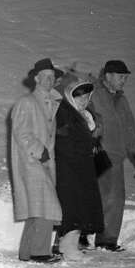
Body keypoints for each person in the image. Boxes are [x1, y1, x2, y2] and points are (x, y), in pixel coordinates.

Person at [10, 58, 64, 263]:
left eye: (53, 77)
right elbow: (21, 132)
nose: (50, 81)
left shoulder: (50, 103)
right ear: (36, 78)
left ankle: (26, 253)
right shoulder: (27, 102)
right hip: (32, 161)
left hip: (43, 162)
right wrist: (39, 150)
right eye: (46, 77)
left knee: (38, 207)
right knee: (46, 206)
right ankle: (39, 252)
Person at [88, 58, 135, 251]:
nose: (124, 81)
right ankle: (79, 236)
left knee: (116, 199)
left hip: (117, 158)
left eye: (125, 77)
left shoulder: (121, 99)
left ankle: (107, 239)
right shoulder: (93, 94)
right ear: (108, 75)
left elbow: (129, 129)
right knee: (96, 197)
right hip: (98, 155)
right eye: (121, 77)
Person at [53, 71, 106, 253]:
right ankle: (67, 248)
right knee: (72, 208)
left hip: (82, 168)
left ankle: (71, 245)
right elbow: (63, 141)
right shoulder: (65, 113)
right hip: (69, 168)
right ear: (70, 96)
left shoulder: (84, 115)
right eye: (79, 96)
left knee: (80, 207)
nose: (83, 100)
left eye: (86, 97)